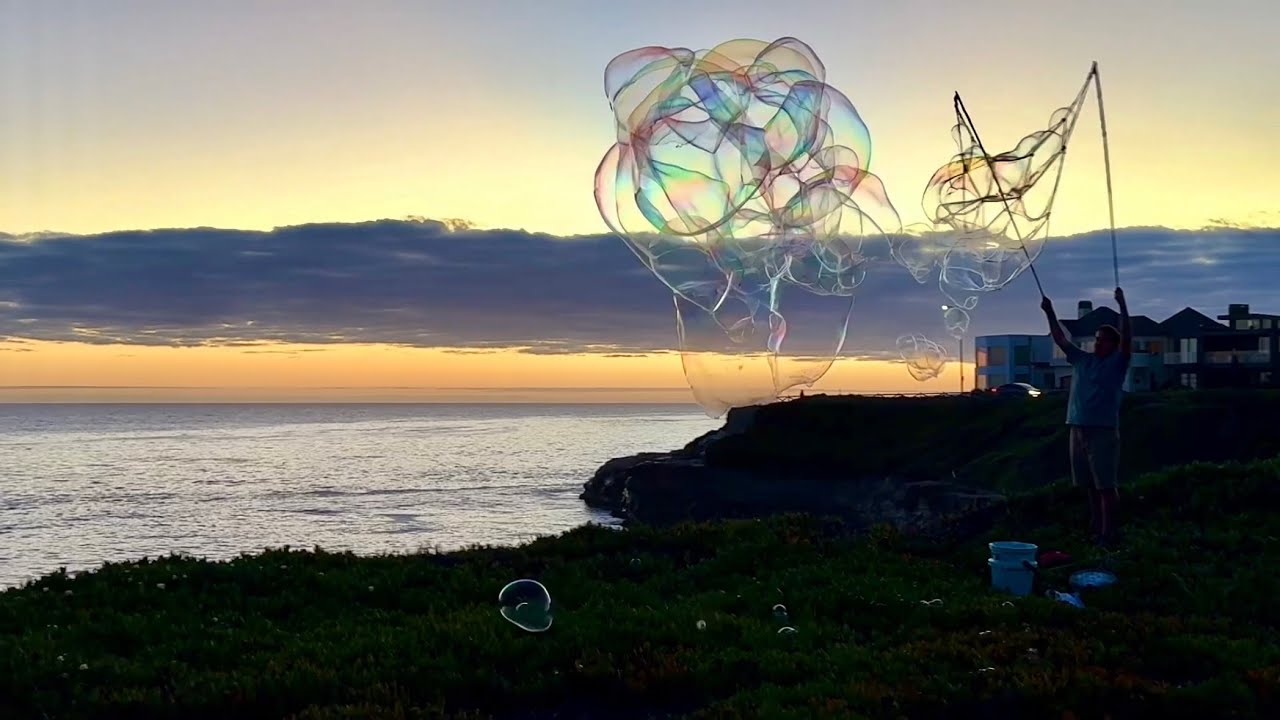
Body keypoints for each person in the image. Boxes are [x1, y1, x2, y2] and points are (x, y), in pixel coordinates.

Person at [1041, 288, 1131, 546]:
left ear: (1114, 344)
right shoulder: (1082, 359)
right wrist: (1050, 312)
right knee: (1089, 485)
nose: (1097, 343)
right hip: (1077, 428)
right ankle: (1096, 528)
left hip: (1102, 430)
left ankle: (1109, 534)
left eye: (1103, 340)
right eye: (1097, 339)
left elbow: (1128, 338)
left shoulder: (1118, 363)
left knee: (1106, 486)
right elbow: (1060, 339)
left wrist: (1122, 306)